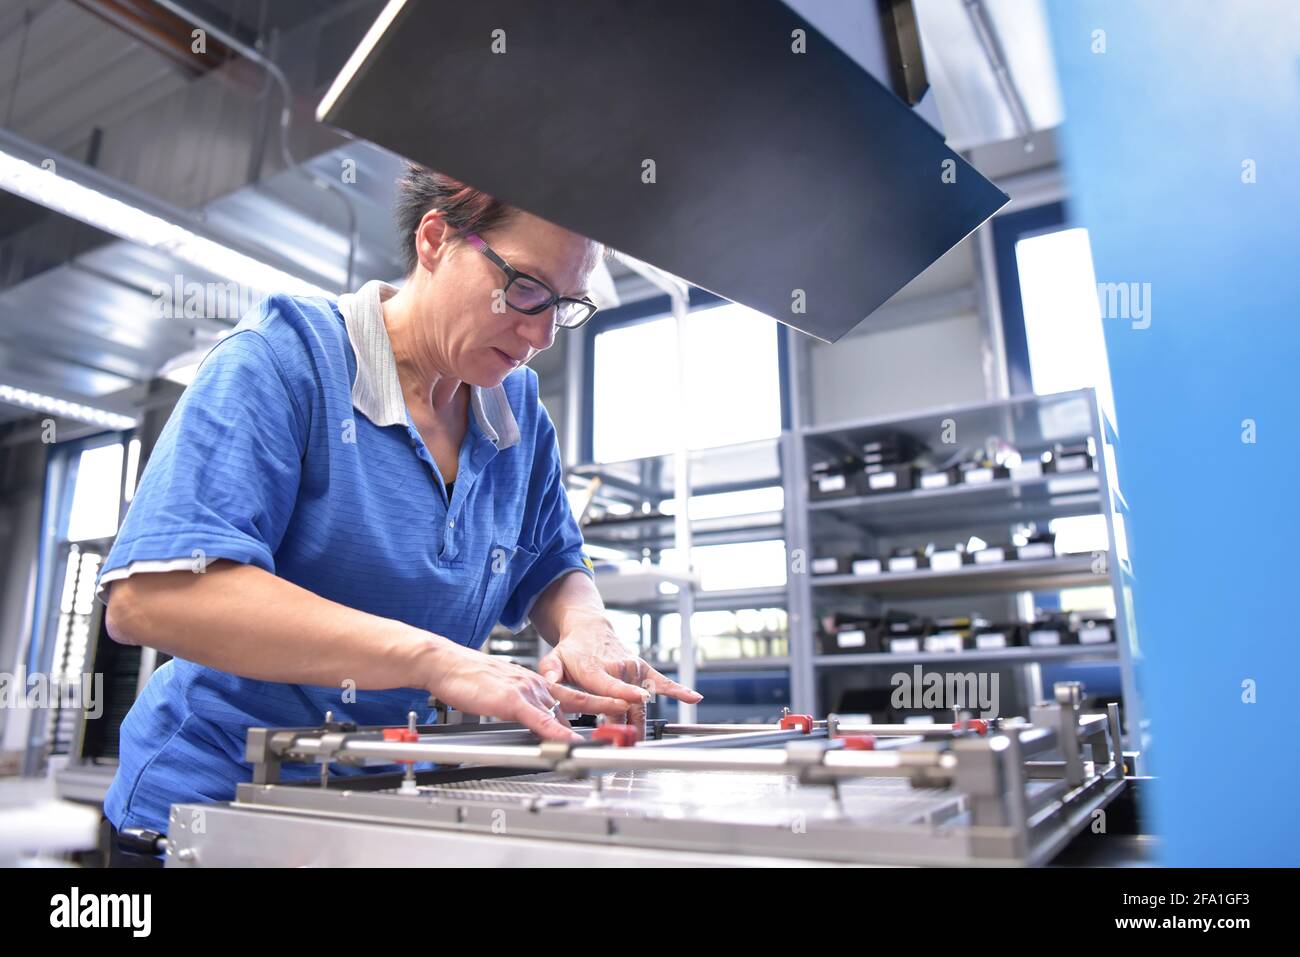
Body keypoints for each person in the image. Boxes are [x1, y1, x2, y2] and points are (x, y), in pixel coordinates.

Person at [100, 163, 702, 840]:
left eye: (565, 304)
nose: (542, 336)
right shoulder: (284, 360)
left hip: (386, 803)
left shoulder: (519, 416)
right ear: (435, 239)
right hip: (212, 809)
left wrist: (587, 626)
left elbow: (552, 561)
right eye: (526, 288)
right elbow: (151, 597)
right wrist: (438, 659)